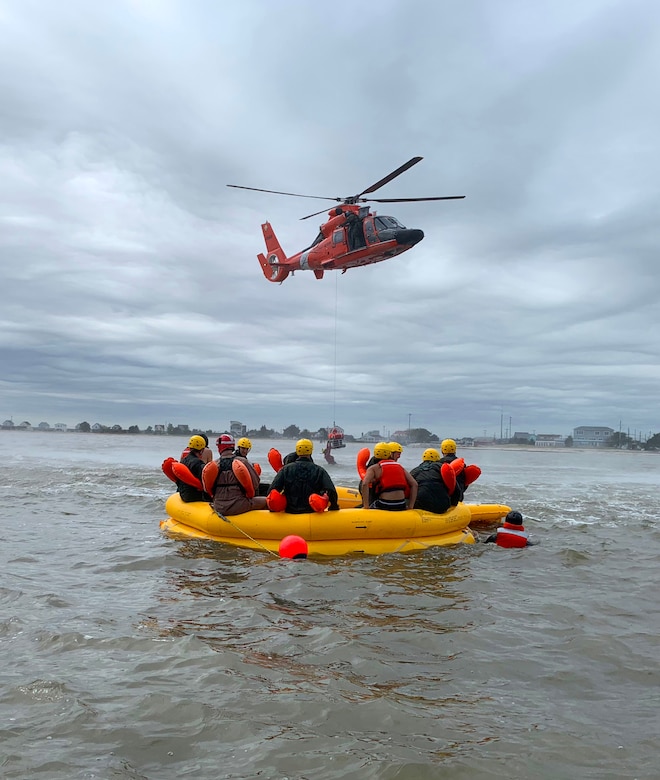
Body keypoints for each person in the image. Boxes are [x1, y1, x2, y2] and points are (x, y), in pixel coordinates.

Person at [268, 439, 339, 514]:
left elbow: (273, 489)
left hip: (291, 510)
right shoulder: (319, 470)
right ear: (311, 451)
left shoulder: (286, 469)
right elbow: (331, 490)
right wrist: (334, 506)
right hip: (311, 510)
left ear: (297, 451)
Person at [209, 434, 267, 515]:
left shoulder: (214, 465)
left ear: (219, 447)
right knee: (267, 501)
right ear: (233, 446)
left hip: (218, 506)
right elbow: (255, 483)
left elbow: (208, 488)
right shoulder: (242, 461)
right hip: (239, 505)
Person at [361, 446, 418, 511]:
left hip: (385, 503)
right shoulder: (399, 466)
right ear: (390, 454)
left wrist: (366, 506)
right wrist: (410, 506)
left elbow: (365, 484)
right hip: (401, 504)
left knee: (372, 504)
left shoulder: (373, 468)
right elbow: (414, 484)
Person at [410, 448, 452, 515]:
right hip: (442, 504)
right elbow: (454, 485)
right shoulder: (442, 468)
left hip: (421, 504)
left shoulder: (415, 471)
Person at [177, 434, 210, 503]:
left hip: (183, 494)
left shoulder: (184, 460)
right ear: (202, 450)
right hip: (194, 496)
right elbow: (205, 481)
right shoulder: (198, 463)